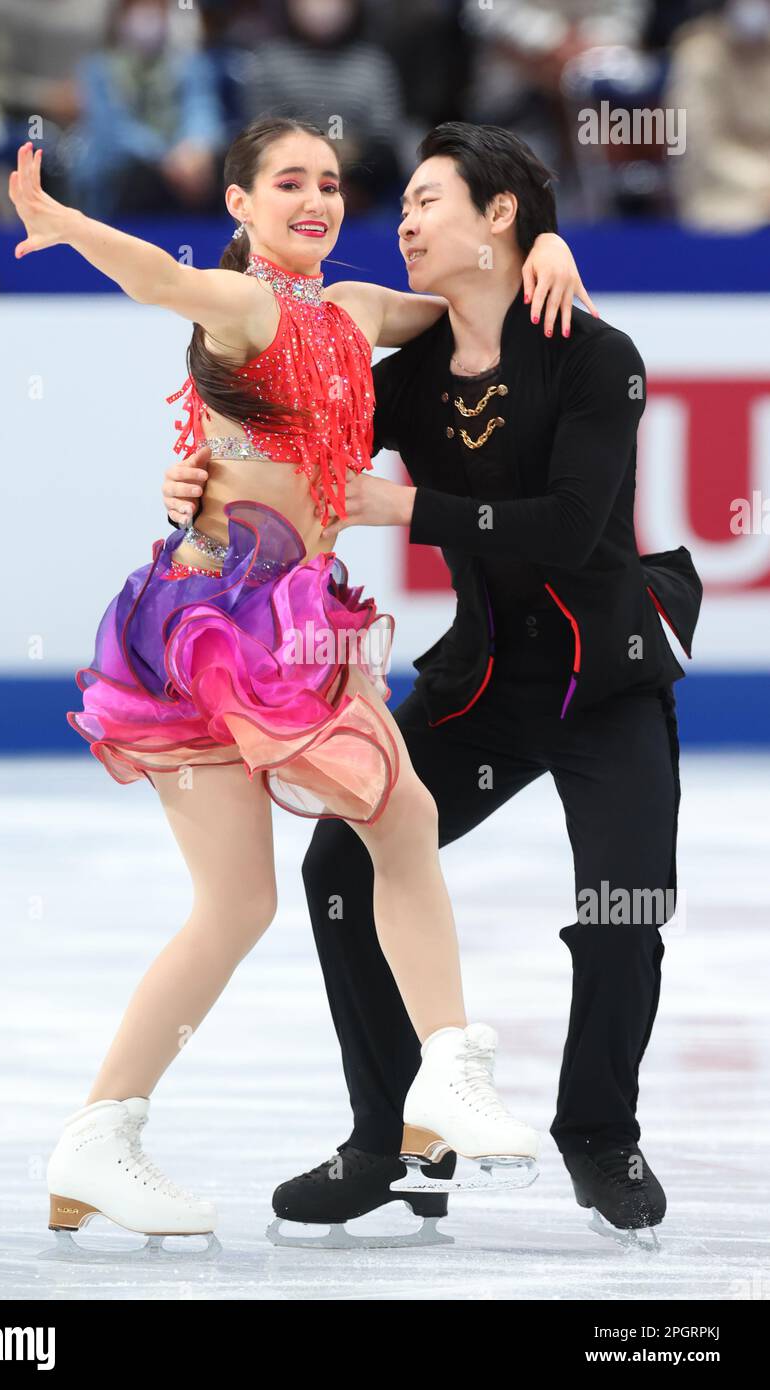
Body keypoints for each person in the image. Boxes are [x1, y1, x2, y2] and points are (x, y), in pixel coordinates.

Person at [7, 115, 589, 1252]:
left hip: (253, 619)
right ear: (240, 204)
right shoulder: (243, 304)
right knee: (401, 814)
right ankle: (446, 1070)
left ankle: (95, 1137)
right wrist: (66, 221)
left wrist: (543, 252)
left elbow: (477, 304)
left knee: (241, 901)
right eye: (286, 182)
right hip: (237, 623)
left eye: (327, 181)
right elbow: (154, 278)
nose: (314, 197)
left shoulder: (355, 311)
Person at [163, 122, 703, 1250]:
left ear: (496, 218)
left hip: (603, 678)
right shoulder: (400, 385)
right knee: (341, 867)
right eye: (397, 205)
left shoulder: (594, 357)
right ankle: (395, 1143)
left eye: (424, 202)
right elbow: (287, 446)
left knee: (625, 911)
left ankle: (598, 1131)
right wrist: (198, 489)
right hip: (484, 683)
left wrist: (406, 507)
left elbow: (566, 525)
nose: (398, 222)